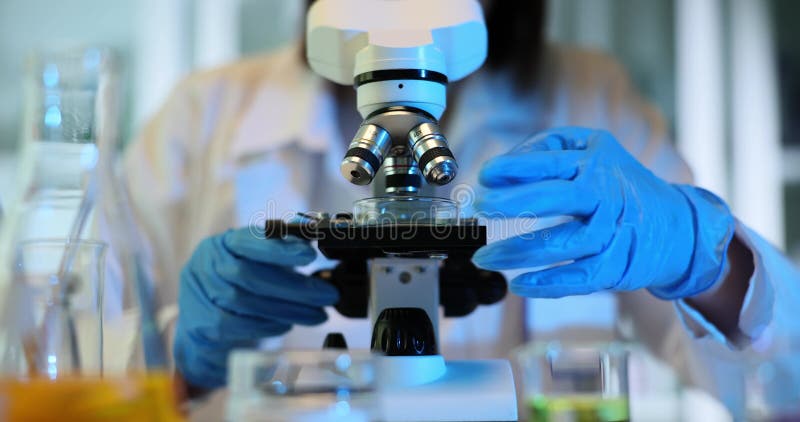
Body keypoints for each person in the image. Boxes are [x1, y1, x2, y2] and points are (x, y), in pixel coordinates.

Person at [123, 0, 799, 415]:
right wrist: (182, 372)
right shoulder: (201, 116)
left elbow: (786, 386)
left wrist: (701, 256)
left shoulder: (593, 97)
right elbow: (65, 381)